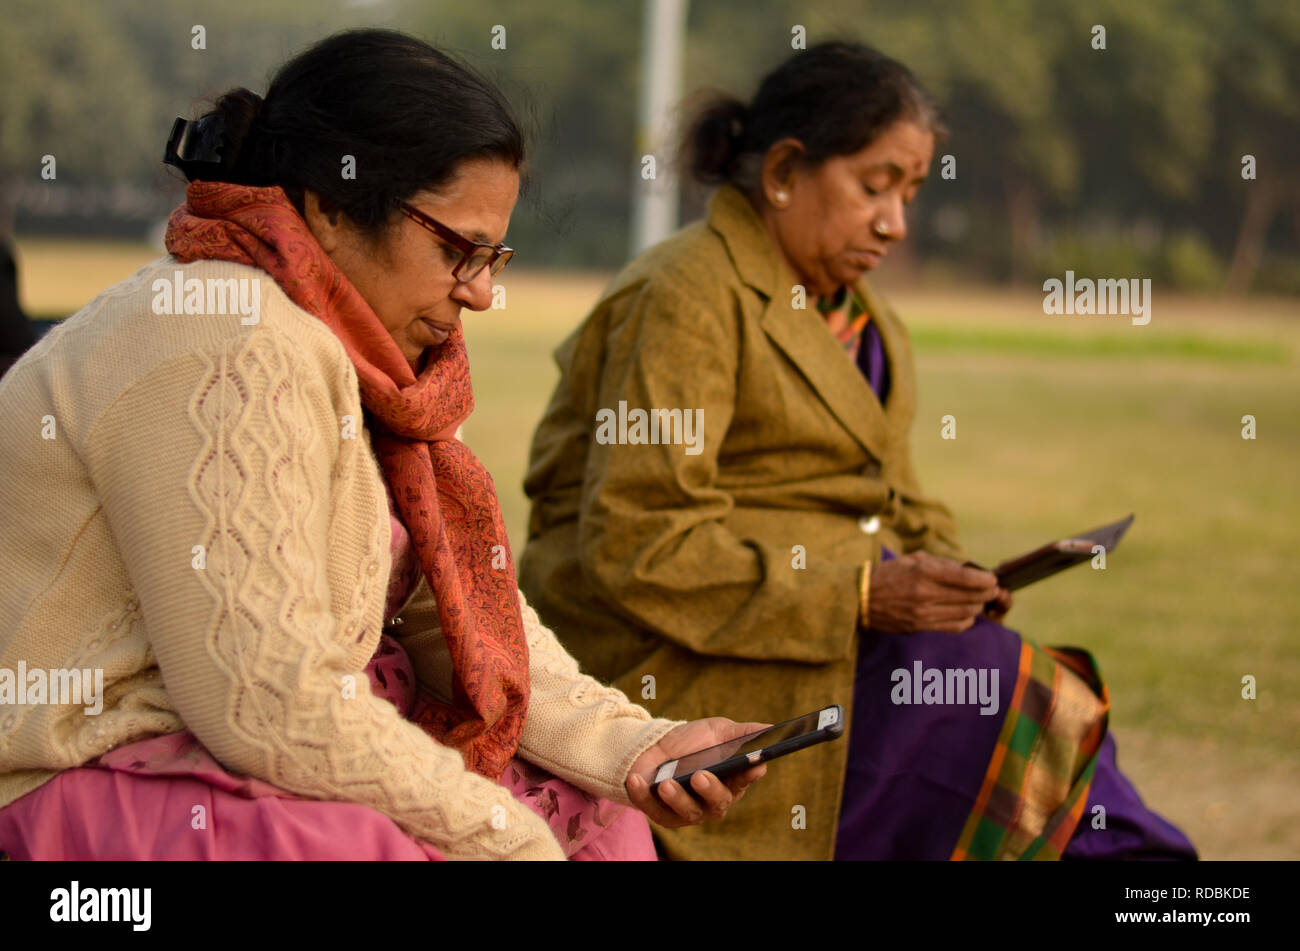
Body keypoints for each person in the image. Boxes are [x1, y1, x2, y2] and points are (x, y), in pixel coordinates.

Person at [0, 29, 767, 862]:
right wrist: (507, 837)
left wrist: (633, 747)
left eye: (493, 256)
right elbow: (265, 699)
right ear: (330, 205)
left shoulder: (370, 352)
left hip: (231, 726)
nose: (481, 292)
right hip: (77, 756)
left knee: (597, 814)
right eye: (455, 250)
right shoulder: (229, 333)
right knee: (361, 845)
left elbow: (459, 617)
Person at [518, 42, 1197, 861]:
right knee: (994, 688)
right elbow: (638, 544)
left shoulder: (869, 323)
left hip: (822, 634)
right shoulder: (683, 296)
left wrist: (954, 574)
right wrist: (862, 595)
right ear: (784, 171)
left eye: (909, 192)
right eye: (874, 186)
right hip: (676, 655)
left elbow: (899, 497)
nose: (896, 222)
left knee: (1001, 678)